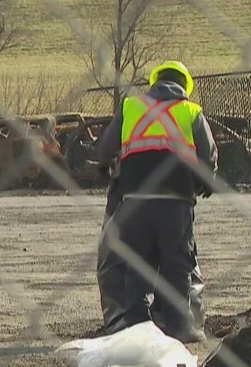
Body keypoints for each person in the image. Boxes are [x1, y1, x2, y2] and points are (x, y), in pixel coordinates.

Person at [90, 61, 218, 344]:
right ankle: (177, 327)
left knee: (136, 262)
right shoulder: (191, 112)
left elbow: (106, 147)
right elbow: (208, 156)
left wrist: (104, 165)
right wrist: (206, 182)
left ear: (154, 83)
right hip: (175, 202)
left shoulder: (131, 107)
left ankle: (136, 326)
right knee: (177, 264)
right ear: (184, 86)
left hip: (134, 201)